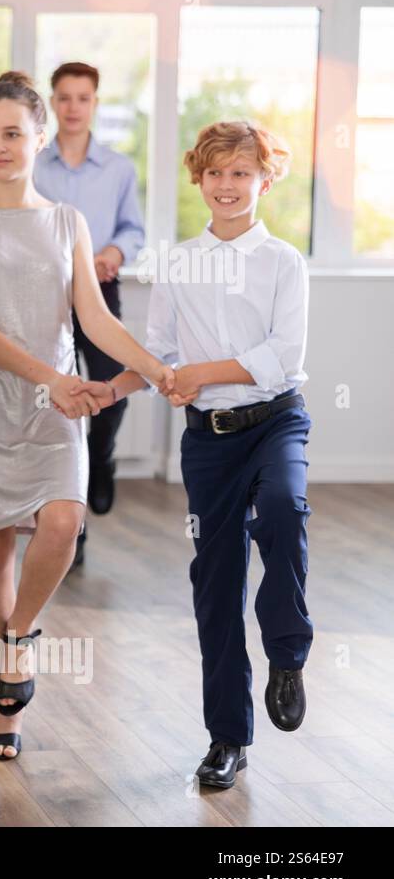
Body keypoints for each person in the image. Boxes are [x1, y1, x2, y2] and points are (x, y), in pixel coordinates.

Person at [0, 71, 172, 761]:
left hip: (56, 399)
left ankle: (20, 639)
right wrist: (53, 379)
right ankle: (7, 701)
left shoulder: (69, 220)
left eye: (12, 133)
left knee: (64, 520)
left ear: (40, 137)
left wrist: (154, 368)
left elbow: (93, 315)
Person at [105, 121, 310, 790]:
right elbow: (160, 353)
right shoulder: (177, 262)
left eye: (241, 173)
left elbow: (283, 359)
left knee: (283, 505)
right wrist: (112, 386)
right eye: (215, 172)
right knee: (214, 580)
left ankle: (287, 652)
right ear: (199, 178)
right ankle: (228, 735)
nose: (227, 186)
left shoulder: (284, 262)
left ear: (264, 179)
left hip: (277, 421)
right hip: (209, 440)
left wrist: (199, 369)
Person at [33, 62, 146, 569]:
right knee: (55, 407)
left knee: (109, 392)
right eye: (64, 97)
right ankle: (68, 530)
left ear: (94, 103)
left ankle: (101, 458)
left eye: (82, 97)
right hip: (43, 298)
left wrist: (115, 253)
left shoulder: (119, 169)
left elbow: (132, 229)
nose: (73, 106)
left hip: (99, 292)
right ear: (53, 103)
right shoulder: (34, 164)